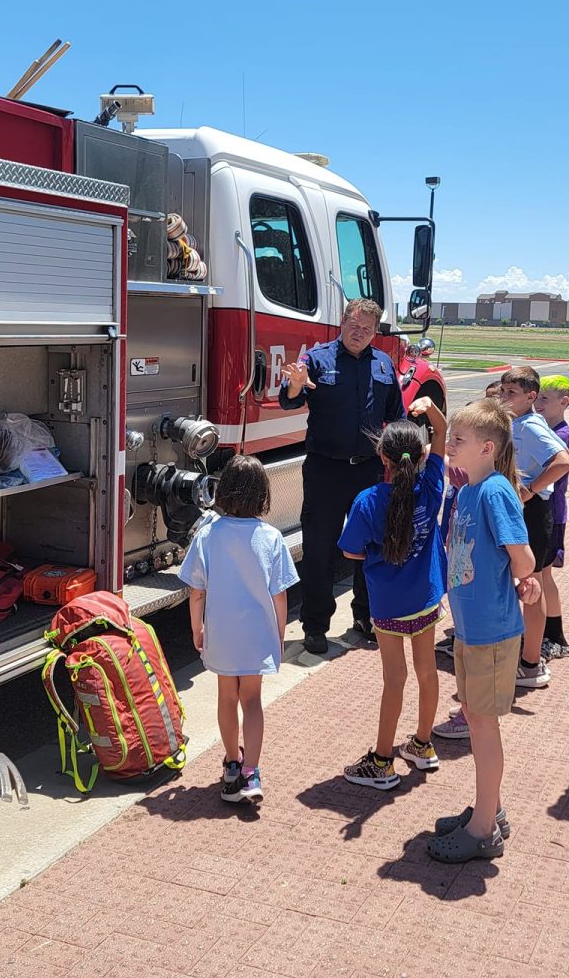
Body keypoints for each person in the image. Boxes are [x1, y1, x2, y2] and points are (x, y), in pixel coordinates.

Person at [424, 399, 543, 863]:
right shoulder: (469, 489)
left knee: (482, 725)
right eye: (450, 437)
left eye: (458, 440)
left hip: (493, 630)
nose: (449, 444)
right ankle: (488, 809)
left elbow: (524, 556)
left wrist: (525, 578)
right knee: (476, 720)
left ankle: (483, 829)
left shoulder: (494, 491)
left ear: (487, 448)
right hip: (474, 629)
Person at [279, 298, 405, 655]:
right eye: (354, 325)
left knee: (370, 548)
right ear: (342, 321)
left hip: (368, 471)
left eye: (367, 329)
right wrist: (294, 386)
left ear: (375, 332)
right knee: (319, 550)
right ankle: (315, 626)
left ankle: (366, 617)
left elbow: (398, 416)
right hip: (324, 470)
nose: (359, 333)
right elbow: (290, 400)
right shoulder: (317, 359)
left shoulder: (383, 364)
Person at [337, 398, 449, 790]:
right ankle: (422, 744)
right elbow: (444, 436)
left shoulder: (368, 500)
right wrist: (432, 409)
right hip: (427, 598)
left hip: (388, 603)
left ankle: (382, 760)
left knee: (394, 678)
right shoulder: (432, 483)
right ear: (421, 456)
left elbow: (351, 550)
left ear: (381, 455)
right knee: (426, 670)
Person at [181, 455, 298, 803]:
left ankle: (232, 762)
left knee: (226, 698)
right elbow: (280, 595)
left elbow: (196, 592)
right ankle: (252, 773)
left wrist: (196, 630)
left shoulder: (208, 535)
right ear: (263, 494)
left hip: (222, 634)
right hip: (257, 637)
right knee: (252, 701)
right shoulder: (271, 538)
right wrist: (278, 636)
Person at [494, 366, 569, 691]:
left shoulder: (531, 426)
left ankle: (531, 662)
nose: (504, 397)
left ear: (530, 396)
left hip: (533, 511)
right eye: (503, 391)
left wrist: (529, 490)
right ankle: (522, 651)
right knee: (523, 582)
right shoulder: (515, 423)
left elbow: (562, 461)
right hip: (520, 509)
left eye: (511, 393)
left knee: (533, 582)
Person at [536, 375, 569, 660]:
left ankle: (554, 634)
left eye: (545, 399)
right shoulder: (545, 429)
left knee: (543, 574)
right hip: (544, 510)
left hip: (551, 513)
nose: (539, 404)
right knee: (539, 573)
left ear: (564, 402)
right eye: (537, 398)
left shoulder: (560, 435)